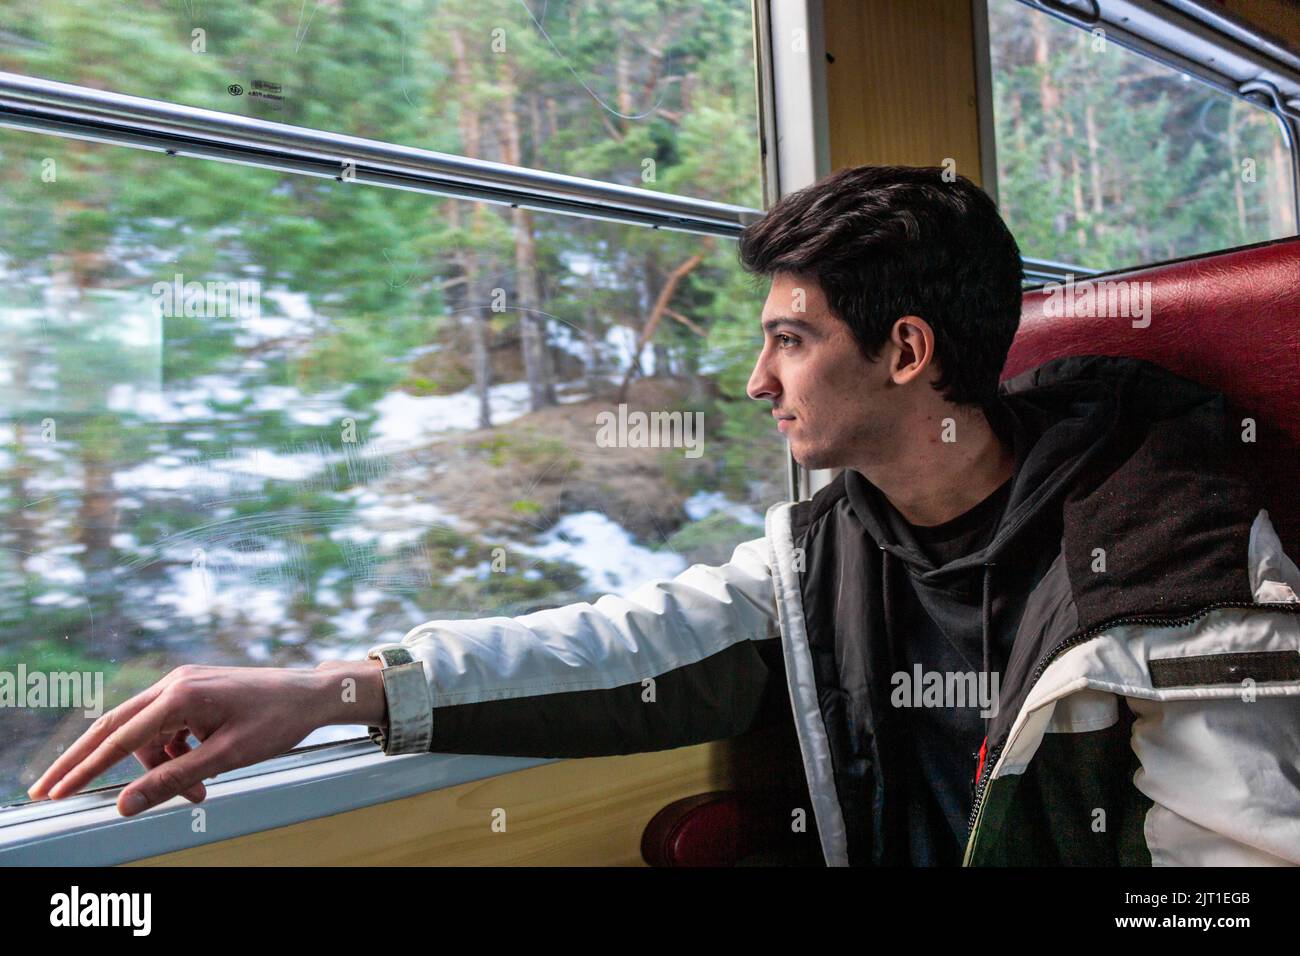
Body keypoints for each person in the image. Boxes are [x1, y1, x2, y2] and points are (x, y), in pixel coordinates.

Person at [27, 166, 1300, 866]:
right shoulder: (828, 554)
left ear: (907, 349)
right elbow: (620, 639)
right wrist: (330, 690)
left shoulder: (1169, 565)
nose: (756, 383)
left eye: (788, 342)